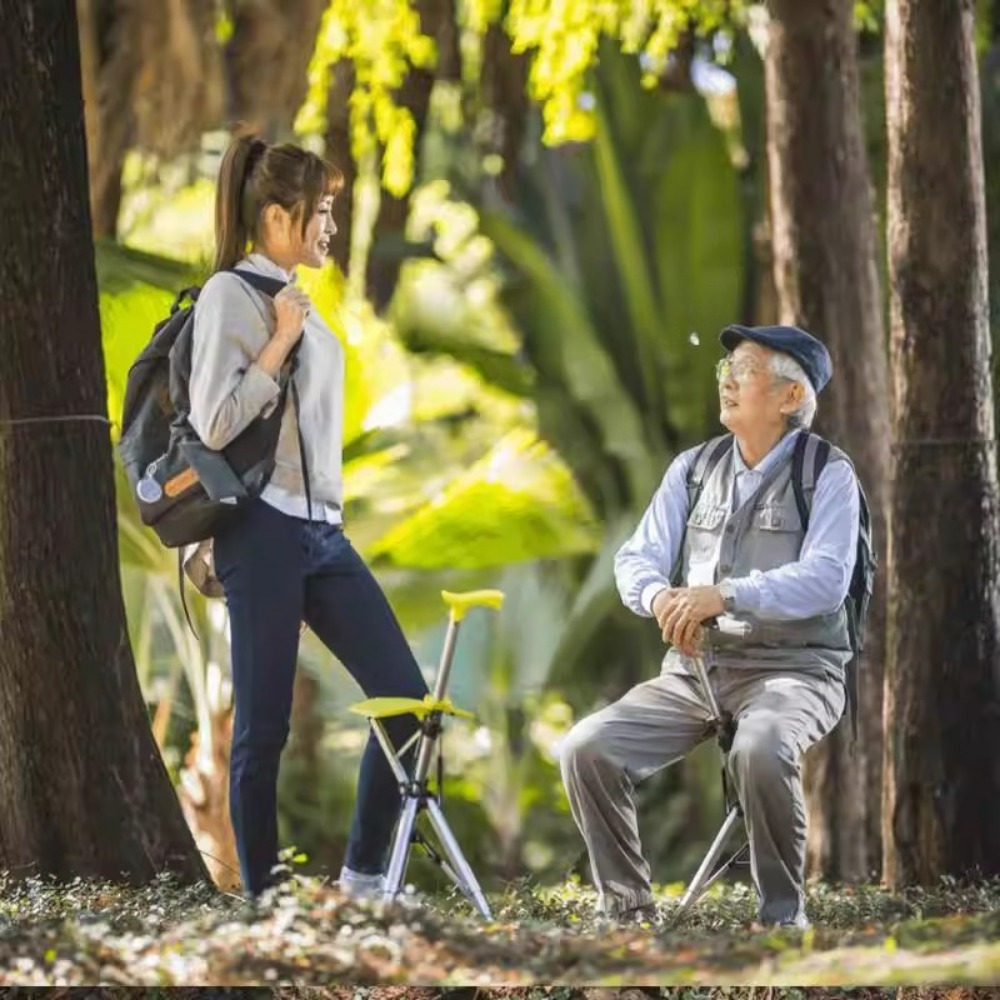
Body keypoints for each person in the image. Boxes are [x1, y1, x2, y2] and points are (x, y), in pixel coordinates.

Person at [184, 133, 429, 900]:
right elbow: (213, 423)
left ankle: (362, 878)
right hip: (259, 530)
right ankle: (261, 902)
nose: (331, 225)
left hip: (322, 534)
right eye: (321, 211)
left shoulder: (300, 299)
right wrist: (280, 341)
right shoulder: (232, 295)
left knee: (407, 702)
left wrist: (295, 327)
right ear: (277, 216)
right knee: (263, 731)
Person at [560, 324, 860, 929]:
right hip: (695, 673)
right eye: (726, 368)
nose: (726, 380)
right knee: (586, 748)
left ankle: (782, 921)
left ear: (790, 396)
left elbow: (827, 580)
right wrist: (660, 599)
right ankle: (626, 913)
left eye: (745, 369)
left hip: (796, 673)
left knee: (762, 745)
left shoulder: (828, 474)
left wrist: (724, 595)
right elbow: (634, 559)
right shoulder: (693, 469)